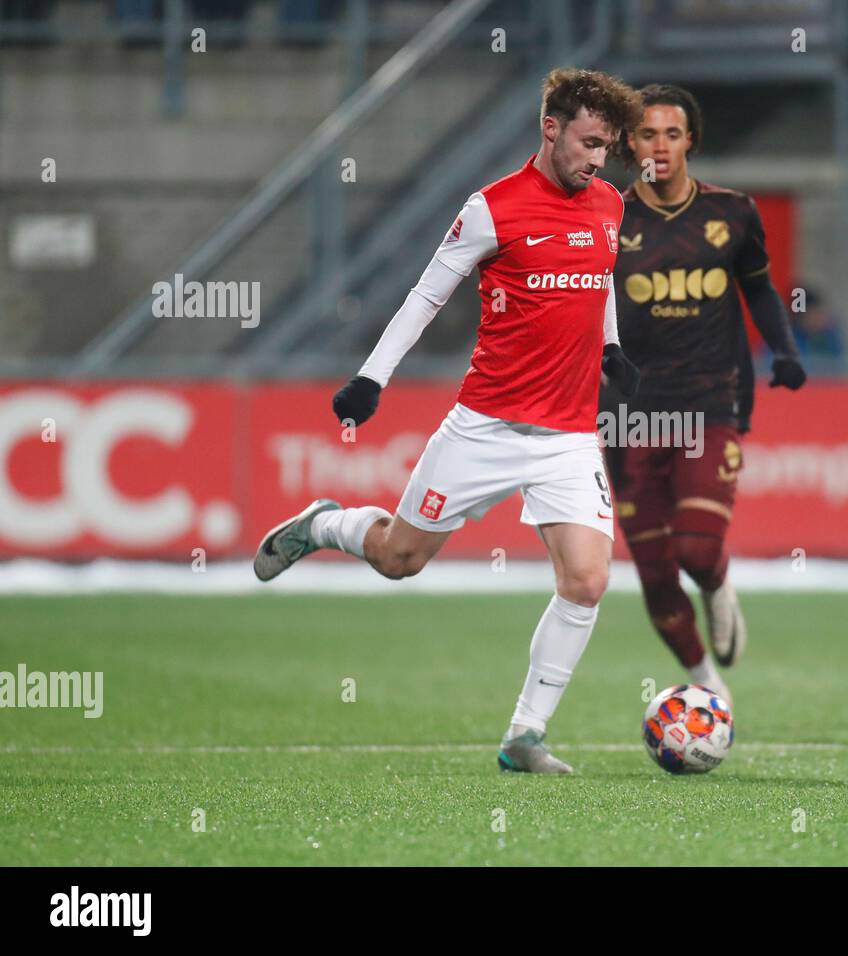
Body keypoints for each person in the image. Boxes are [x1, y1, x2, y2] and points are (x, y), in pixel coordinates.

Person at [252, 68, 644, 775]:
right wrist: (373, 376)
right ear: (550, 127)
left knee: (587, 581)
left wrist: (611, 345)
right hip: (484, 428)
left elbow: (601, 276)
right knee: (400, 559)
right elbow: (426, 296)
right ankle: (325, 524)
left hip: (567, 436)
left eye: (606, 148)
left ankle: (525, 737)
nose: (595, 160)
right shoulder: (492, 209)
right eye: (588, 142)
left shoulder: (609, 204)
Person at [602, 83, 806, 704]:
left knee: (694, 550)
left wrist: (786, 350)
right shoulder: (605, 218)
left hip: (710, 402)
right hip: (627, 414)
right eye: (645, 134)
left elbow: (760, 291)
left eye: (670, 133)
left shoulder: (732, 213)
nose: (658, 146)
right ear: (628, 142)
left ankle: (717, 586)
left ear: (691, 139)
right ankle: (704, 684)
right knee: (656, 572)